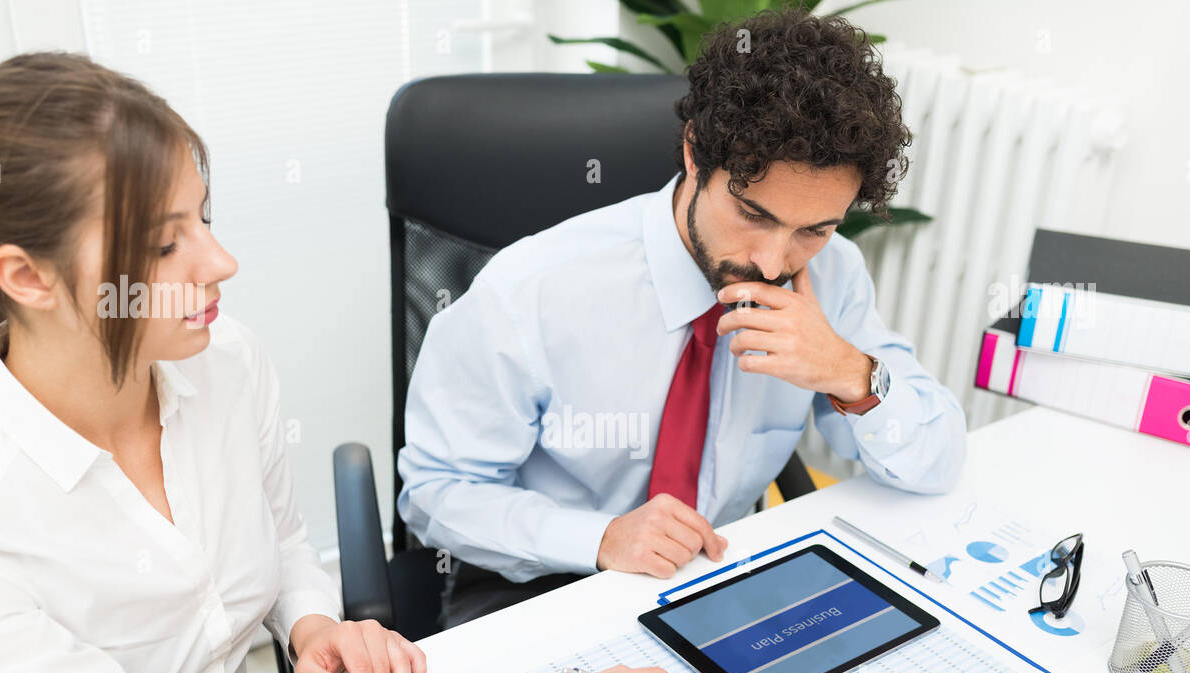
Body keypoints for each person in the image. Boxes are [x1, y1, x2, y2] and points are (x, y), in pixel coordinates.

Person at [0, 52, 671, 673]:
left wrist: (311, 619)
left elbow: (282, 538)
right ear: (26, 276)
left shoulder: (225, 360)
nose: (221, 263)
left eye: (204, 219)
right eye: (162, 246)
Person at [398, 10, 968, 629]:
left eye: (815, 229)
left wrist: (853, 374)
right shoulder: (530, 290)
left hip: (719, 574)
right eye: (753, 214)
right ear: (696, 153)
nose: (773, 263)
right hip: (548, 578)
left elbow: (937, 461)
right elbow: (435, 495)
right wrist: (600, 539)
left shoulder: (832, 277)